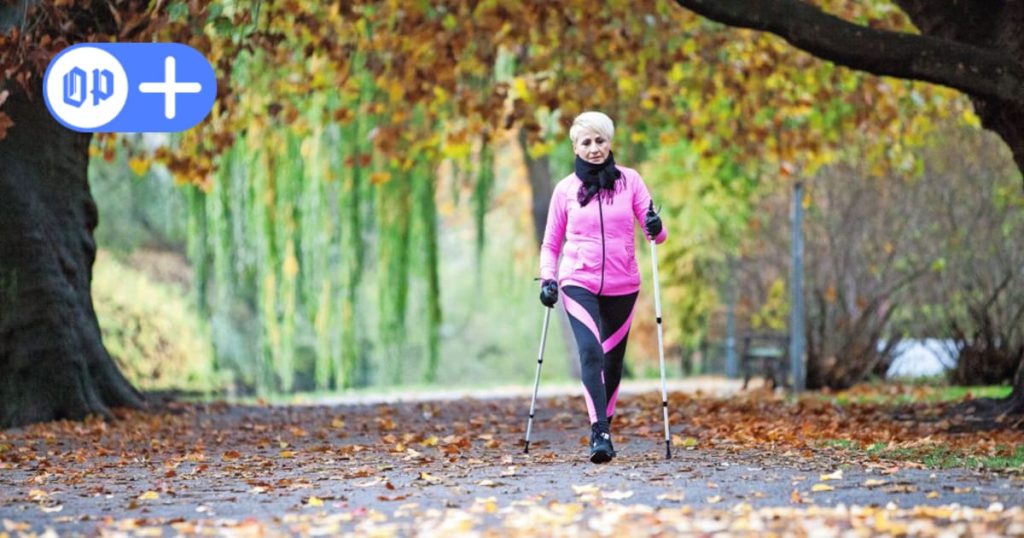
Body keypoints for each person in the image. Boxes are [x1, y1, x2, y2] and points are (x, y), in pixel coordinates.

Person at [538, 111, 666, 464]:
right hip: (577, 280)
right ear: (575, 147)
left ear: (610, 142)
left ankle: (604, 422)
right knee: (591, 353)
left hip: (623, 283)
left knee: (612, 361)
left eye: (600, 141)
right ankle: (600, 433)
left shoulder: (631, 181)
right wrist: (548, 278)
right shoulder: (564, 190)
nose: (594, 149)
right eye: (586, 142)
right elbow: (550, 244)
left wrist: (656, 224)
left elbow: (656, 233)